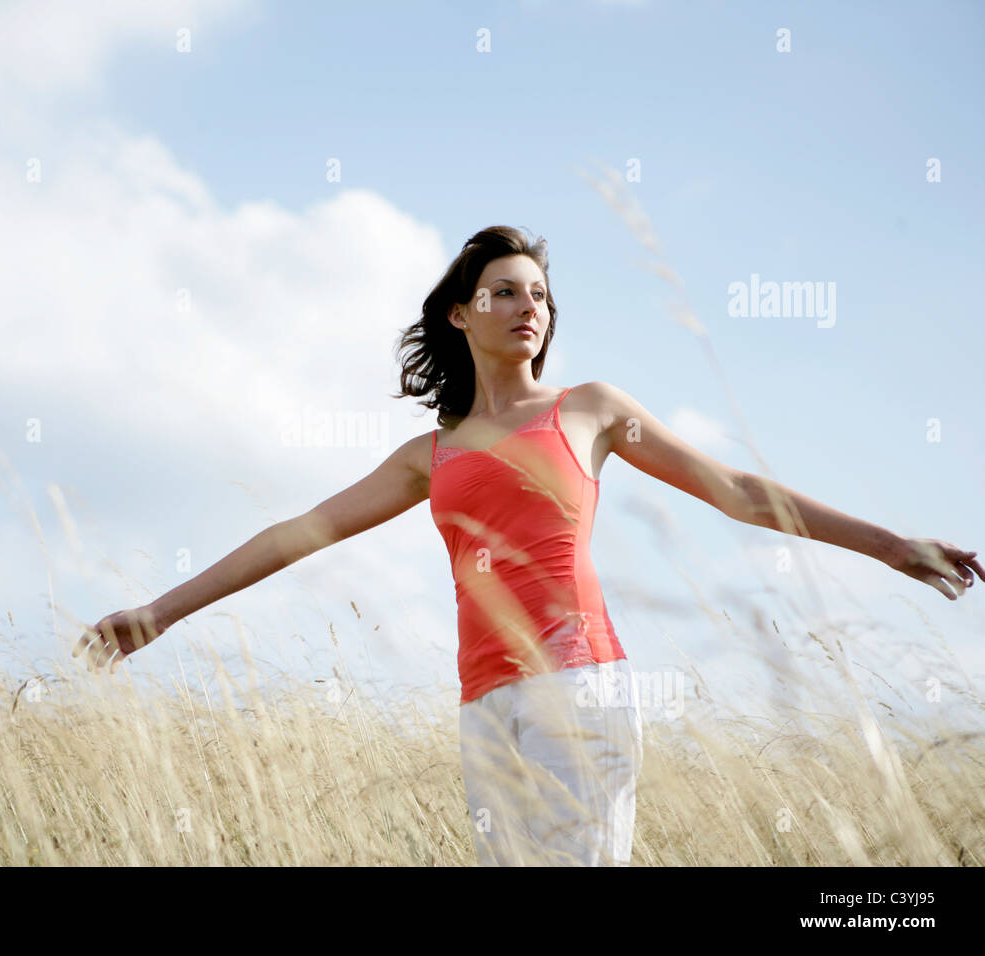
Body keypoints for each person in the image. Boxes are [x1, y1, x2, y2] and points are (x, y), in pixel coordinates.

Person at [74, 225, 982, 866]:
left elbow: (737, 493)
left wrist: (888, 543)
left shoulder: (588, 410)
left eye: (539, 294)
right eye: (505, 292)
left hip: (579, 688)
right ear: (462, 316)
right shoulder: (428, 456)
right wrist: (158, 614)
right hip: (484, 706)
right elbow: (295, 536)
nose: (527, 306)